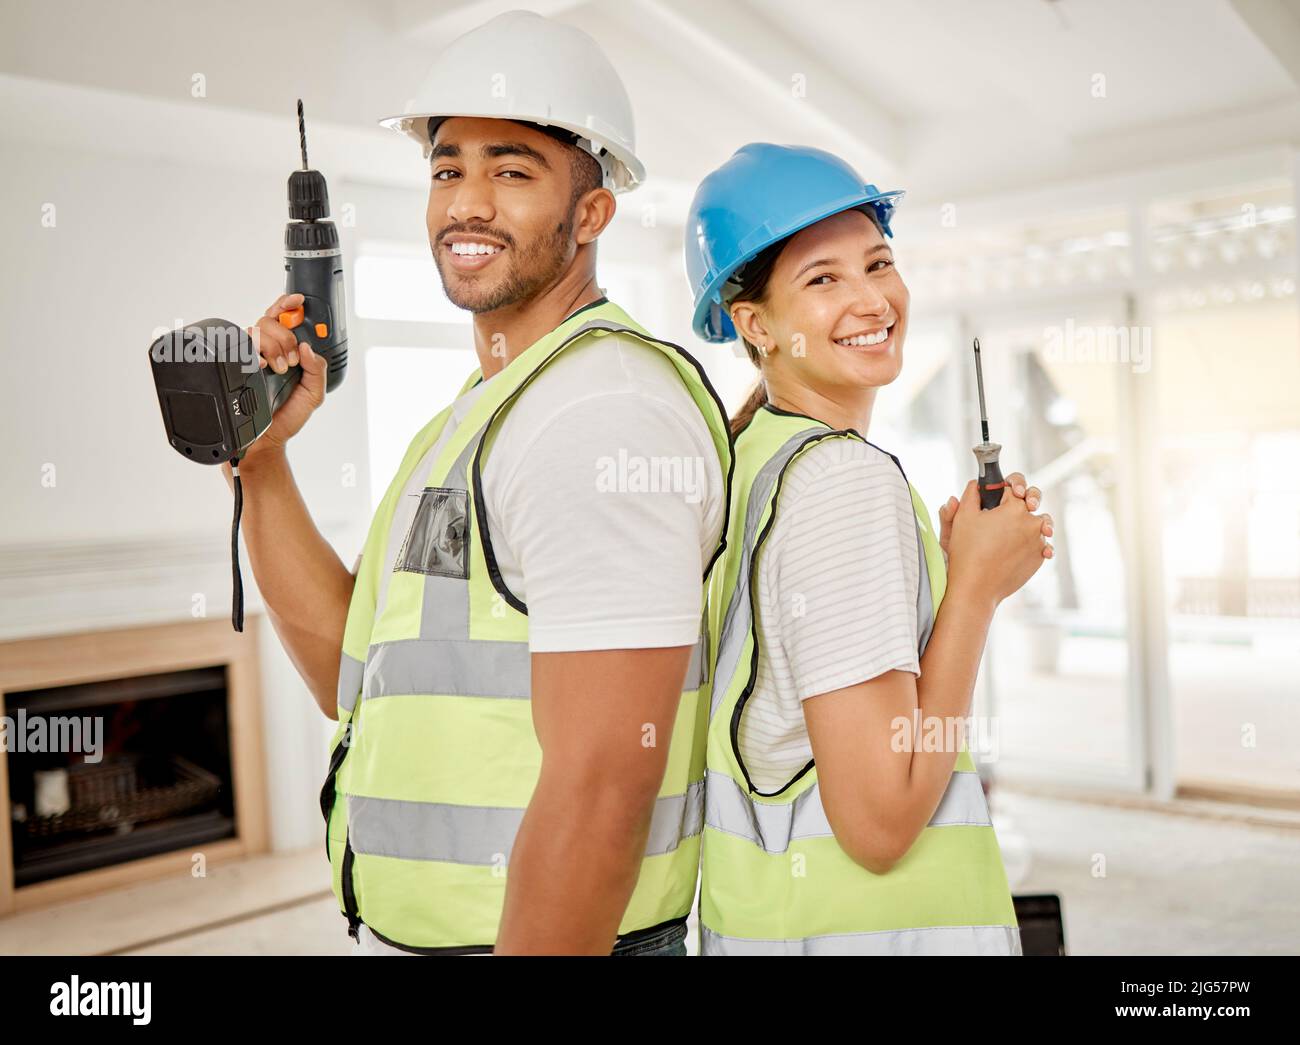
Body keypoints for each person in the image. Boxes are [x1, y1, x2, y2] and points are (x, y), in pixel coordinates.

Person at [225, 11, 731, 956]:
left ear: (590, 213)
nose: (467, 204)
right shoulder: (479, 412)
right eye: (448, 168)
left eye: (512, 170)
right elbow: (356, 672)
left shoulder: (600, 413)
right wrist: (261, 461)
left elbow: (604, 785)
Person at [683, 143, 1054, 955]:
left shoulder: (753, 459)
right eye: (823, 279)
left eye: (878, 263)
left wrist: (956, 572)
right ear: (756, 326)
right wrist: (977, 592)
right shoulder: (840, 482)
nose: (871, 298)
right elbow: (882, 818)